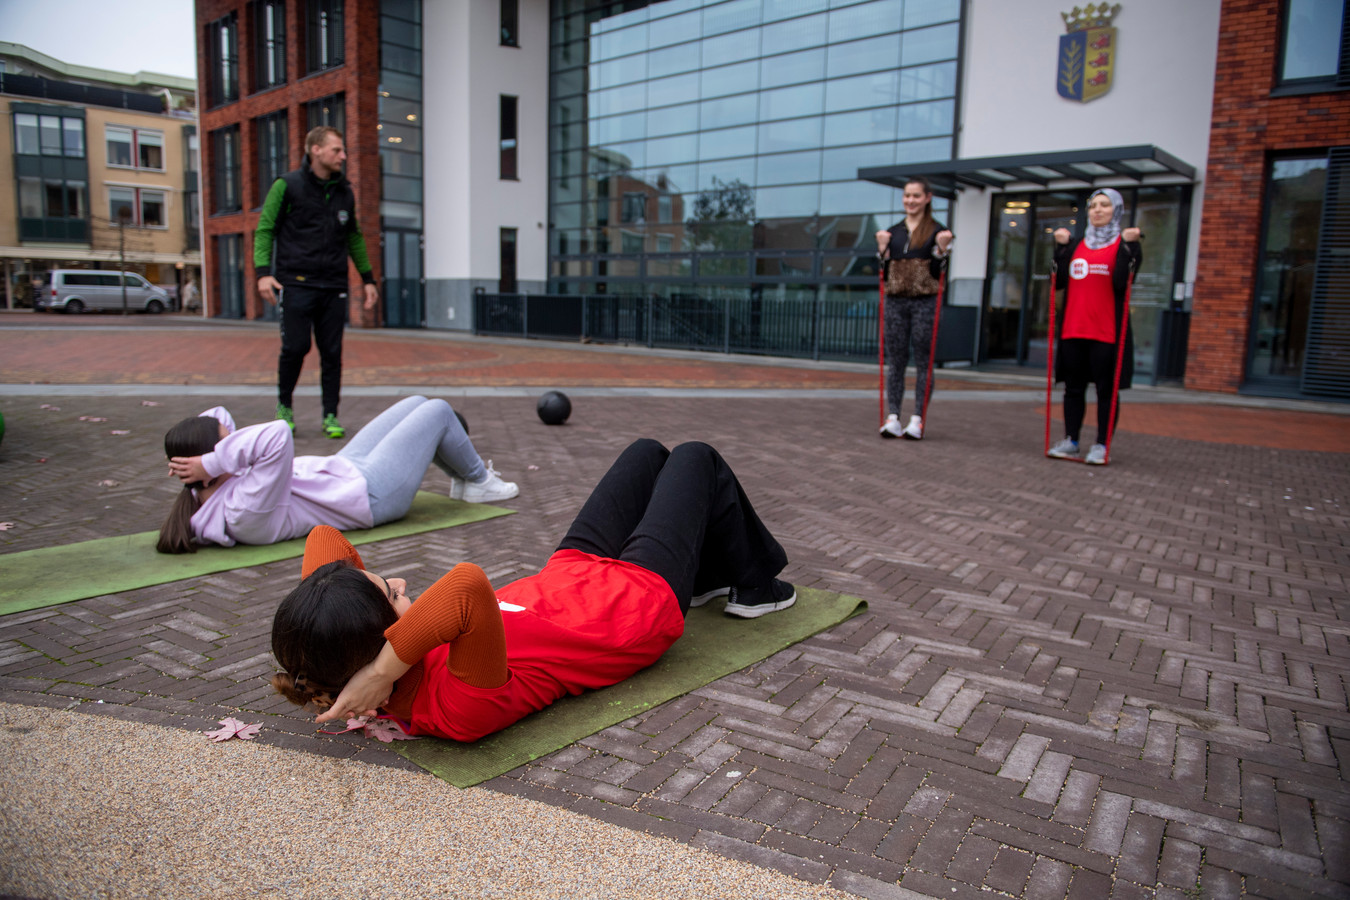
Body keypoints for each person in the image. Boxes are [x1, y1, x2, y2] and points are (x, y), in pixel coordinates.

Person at [269, 438, 797, 742]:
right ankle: (755, 585)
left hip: (567, 575)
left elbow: (323, 539)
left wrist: (356, 664)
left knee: (647, 453)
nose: (403, 582)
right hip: (632, 606)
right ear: (383, 635)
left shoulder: (381, 652)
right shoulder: (452, 706)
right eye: (391, 592)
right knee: (695, 457)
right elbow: (465, 584)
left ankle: (702, 577)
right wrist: (381, 670)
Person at [157, 395, 517, 554]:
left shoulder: (207, 488)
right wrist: (212, 461)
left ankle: (463, 481)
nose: (233, 442)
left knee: (417, 402)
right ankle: (480, 483)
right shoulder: (242, 511)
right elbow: (278, 433)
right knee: (437, 411)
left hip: (346, 468)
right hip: (372, 494)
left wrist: (207, 461)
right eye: (223, 445)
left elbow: (219, 416)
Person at [255, 125, 378, 440]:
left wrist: (367, 279)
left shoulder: (345, 192)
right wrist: (262, 273)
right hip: (295, 283)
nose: (343, 156)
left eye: (343, 150)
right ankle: (284, 408)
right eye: (337, 150)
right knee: (295, 347)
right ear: (316, 150)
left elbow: (355, 237)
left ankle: (330, 415)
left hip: (333, 285)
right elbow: (266, 228)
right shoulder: (287, 186)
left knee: (332, 352)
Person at [1048, 188, 1142, 465]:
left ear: (1117, 211)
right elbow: (1060, 282)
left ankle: (1101, 444)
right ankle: (1071, 440)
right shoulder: (1076, 245)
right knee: (1073, 389)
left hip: (1106, 331)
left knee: (1106, 390)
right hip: (1073, 329)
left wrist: (1129, 247)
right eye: (1093, 206)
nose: (1098, 210)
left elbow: (1122, 283)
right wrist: (1061, 249)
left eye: (1105, 205)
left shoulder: (1123, 244)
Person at [875, 177, 954, 440]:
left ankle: (918, 419)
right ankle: (893, 416)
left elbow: (937, 271)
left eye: (916, 196)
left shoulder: (937, 231)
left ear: (927, 198)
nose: (910, 201)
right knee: (896, 359)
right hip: (896, 300)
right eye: (907, 196)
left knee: (923, 360)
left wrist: (942, 251)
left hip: (925, 302)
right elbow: (884, 273)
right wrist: (882, 251)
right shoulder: (893, 232)